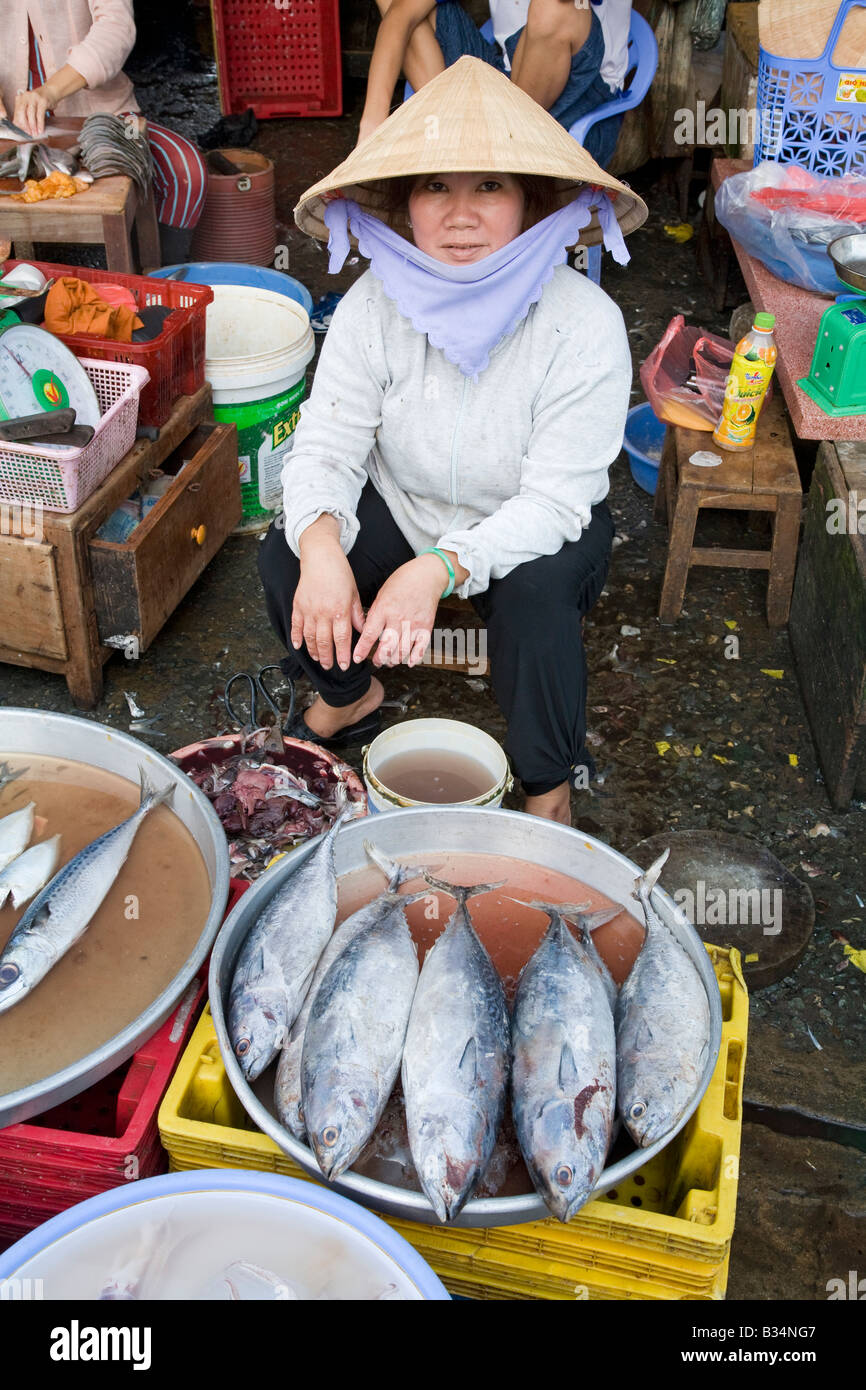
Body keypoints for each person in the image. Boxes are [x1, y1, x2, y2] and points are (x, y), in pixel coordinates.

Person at [258, 57, 647, 825]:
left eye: (489, 187)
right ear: (406, 204)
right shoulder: (373, 307)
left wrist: (441, 567)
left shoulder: (585, 323)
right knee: (286, 554)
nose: (459, 214)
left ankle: (549, 787)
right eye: (436, 186)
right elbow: (327, 446)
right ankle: (351, 694)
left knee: (537, 605)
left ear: (532, 205)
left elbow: (557, 497)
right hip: (408, 502)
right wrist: (327, 547)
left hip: (531, 521)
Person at [0, 1, 207, 263]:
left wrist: (51, 90)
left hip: (107, 114)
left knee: (186, 172)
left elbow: (116, 27)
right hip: (9, 128)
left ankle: (159, 282)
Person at [360, 0, 633, 166]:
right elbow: (401, 14)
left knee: (554, 7)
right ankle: (458, 136)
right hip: (506, 79)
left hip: (579, 101)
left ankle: (487, 153)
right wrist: (372, 131)